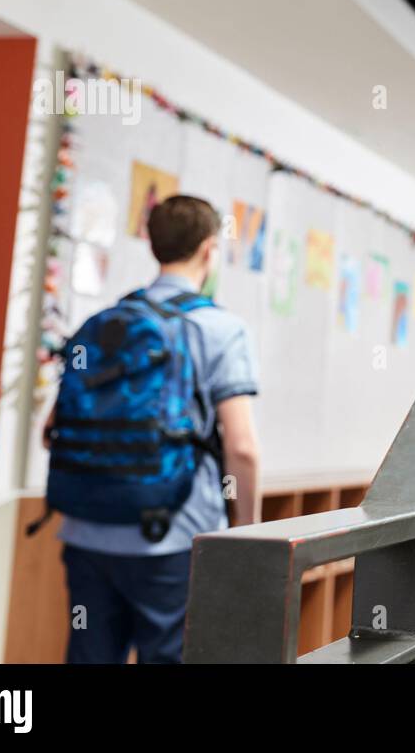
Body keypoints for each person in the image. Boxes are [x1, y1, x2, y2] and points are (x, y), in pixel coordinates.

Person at [53, 195, 262, 663]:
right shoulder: (220, 328)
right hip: (170, 538)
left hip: (86, 530)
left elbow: (56, 424)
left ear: (152, 244)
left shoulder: (103, 321)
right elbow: (242, 448)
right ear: (210, 250)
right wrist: (246, 540)